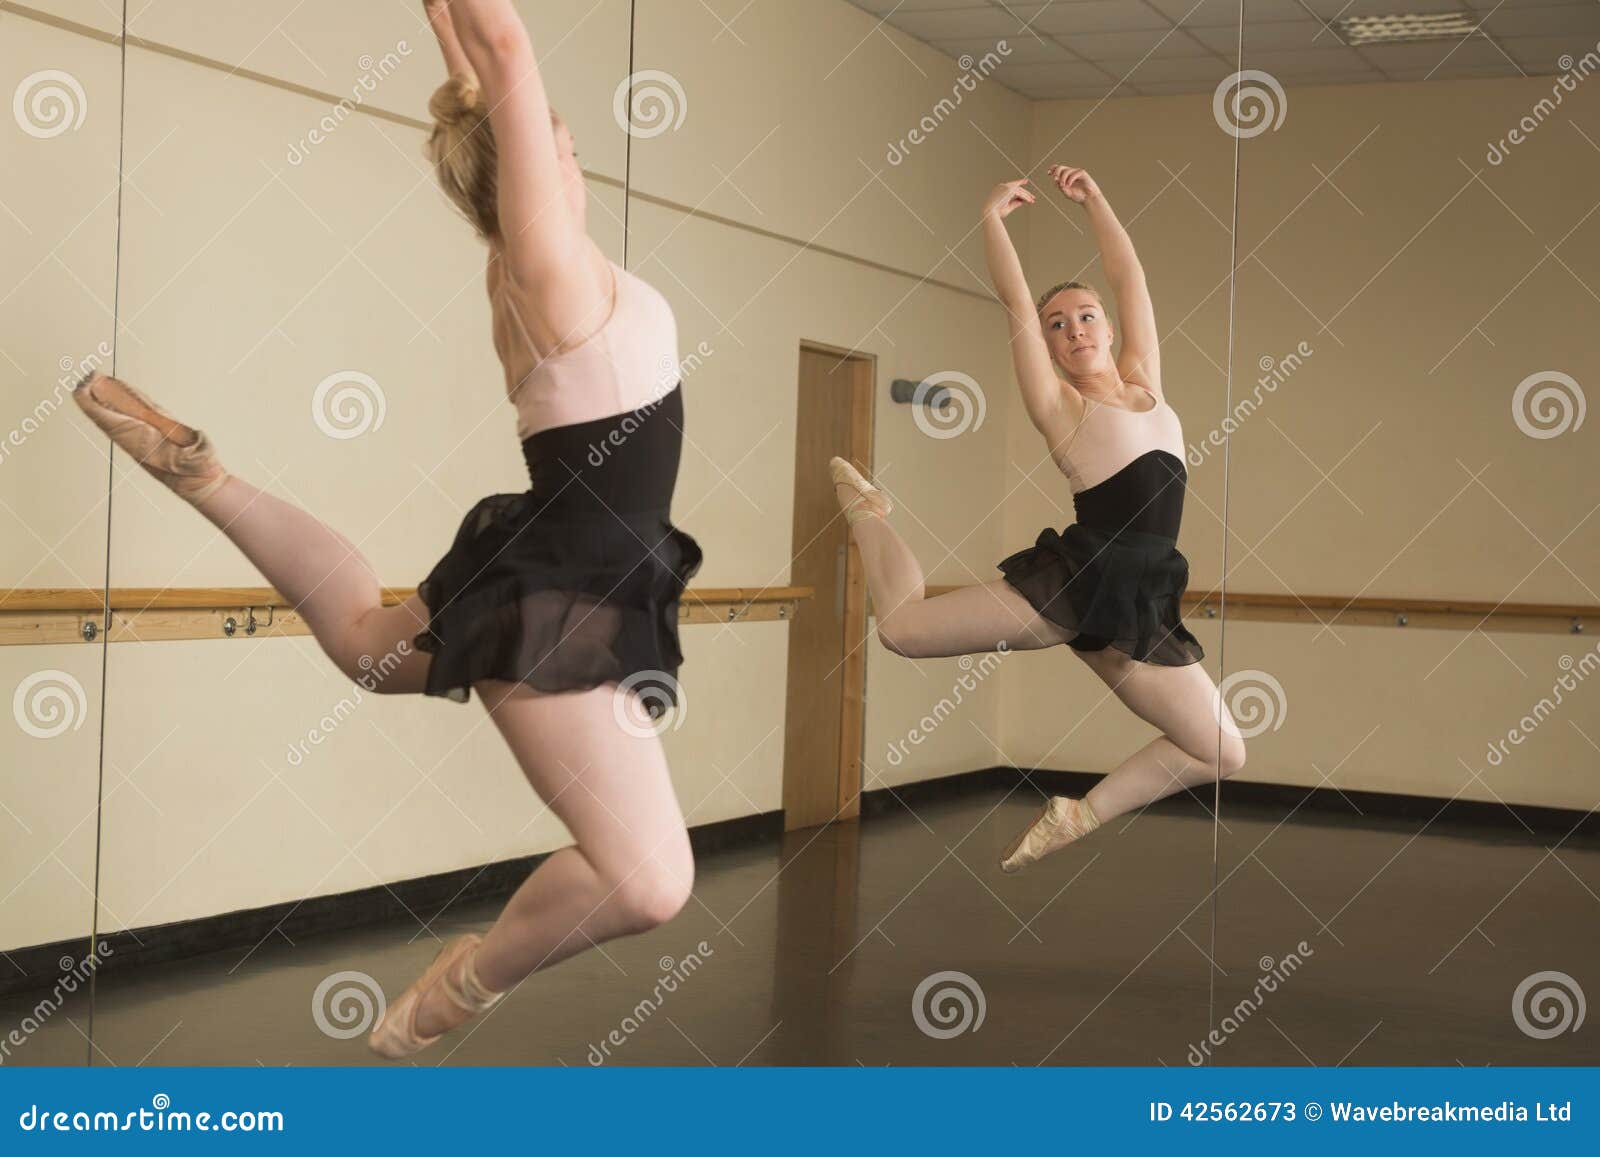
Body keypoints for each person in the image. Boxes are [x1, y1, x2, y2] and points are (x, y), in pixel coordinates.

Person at [70, 0, 702, 1059]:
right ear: (531, 162)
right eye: (559, 135)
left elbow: (475, 75)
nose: (571, 145)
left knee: (370, 645)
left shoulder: (521, 262)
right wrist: (483, 45)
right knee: (651, 881)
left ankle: (210, 480)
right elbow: (501, 52)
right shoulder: (547, 266)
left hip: (557, 550)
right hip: (573, 578)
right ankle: (461, 984)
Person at [829, 164, 1244, 875]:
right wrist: (991, 220)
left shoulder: (1147, 382)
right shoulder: (1061, 407)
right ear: (1049, 346)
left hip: (1141, 601)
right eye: (1058, 326)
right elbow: (1016, 300)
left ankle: (1077, 813)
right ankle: (870, 514)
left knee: (1220, 750)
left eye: (1085, 317)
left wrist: (1097, 198)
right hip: (1075, 582)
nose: (1073, 329)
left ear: (1108, 328)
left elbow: (1131, 275)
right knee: (900, 629)